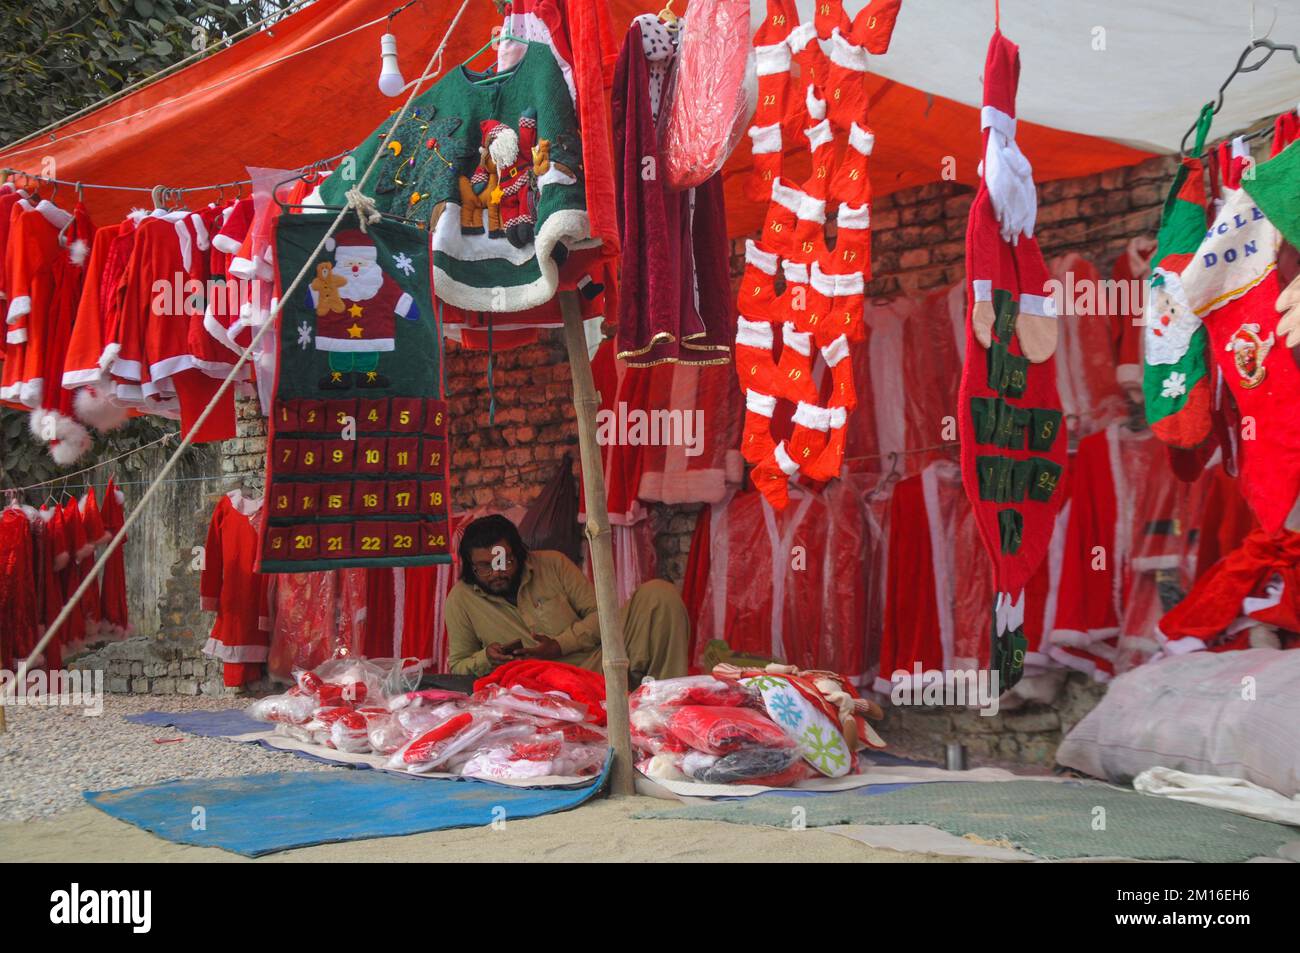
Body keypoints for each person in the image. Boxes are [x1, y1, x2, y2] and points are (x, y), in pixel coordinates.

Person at [445, 514, 689, 681]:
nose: (496, 572)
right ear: (470, 567)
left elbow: (602, 617)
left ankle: (665, 704)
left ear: (519, 554)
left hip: (599, 664)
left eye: (504, 561)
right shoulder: (460, 600)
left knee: (658, 595)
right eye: (484, 567)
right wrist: (486, 658)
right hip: (538, 690)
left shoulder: (553, 564)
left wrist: (560, 645)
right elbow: (458, 666)